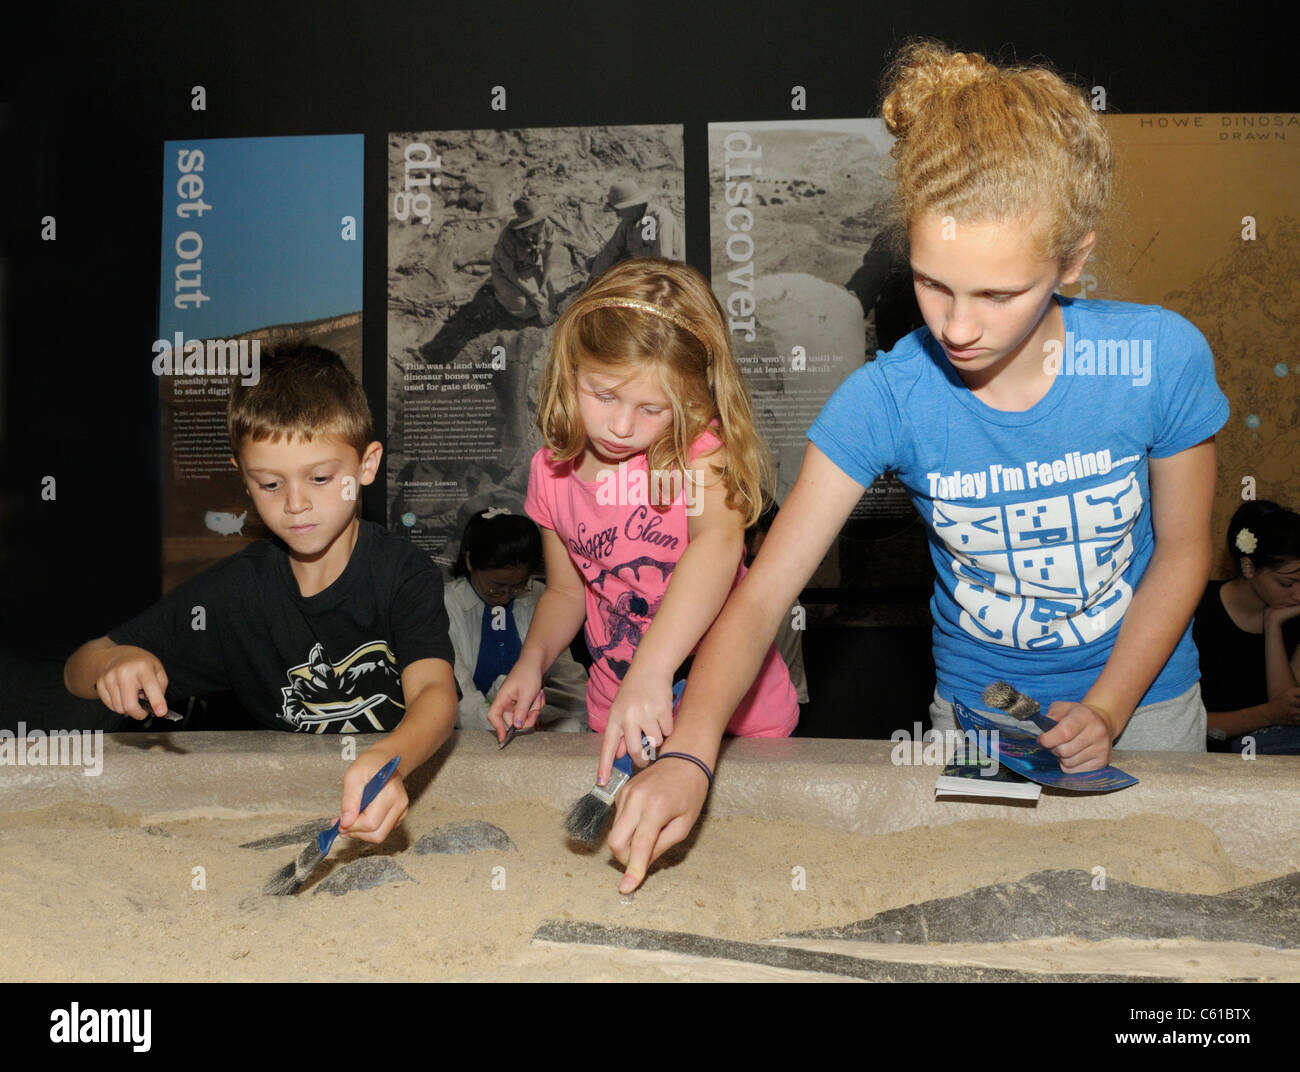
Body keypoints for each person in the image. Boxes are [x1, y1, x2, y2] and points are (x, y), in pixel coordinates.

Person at [607, 40, 1230, 892]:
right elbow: (759, 596)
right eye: (935, 285)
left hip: (1150, 704)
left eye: (998, 294)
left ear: (1073, 260)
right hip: (981, 719)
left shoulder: (1159, 358)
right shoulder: (887, 398)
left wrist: (1111, 705)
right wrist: (690, 752)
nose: (959, 327)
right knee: (989, 912)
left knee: (1164, 911)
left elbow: (1187, 547)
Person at [63, 343, 458, 845]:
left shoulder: (403, 573)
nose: (296, 503)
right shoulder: (234, 593)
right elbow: (80, 666)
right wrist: (113, 664)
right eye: (270, 484)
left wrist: (388, 758)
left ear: (366, 464)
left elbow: (434, 693)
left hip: (390, 788)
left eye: (319, 477)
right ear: (244, 480)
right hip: (279, 814)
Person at [485, 257, 799, 776]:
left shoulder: (696, 452)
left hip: (736, 713)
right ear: (572, 368)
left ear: (692, 401)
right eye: (603, 395)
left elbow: (717, 546)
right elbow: (566, 593)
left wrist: (653, 669)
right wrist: (532, 663)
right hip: (620, 707)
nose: (622, 425)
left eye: (652, 408)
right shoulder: (551, 472)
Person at [445, 508, 588, 732]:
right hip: (474, 724)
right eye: (497, 586)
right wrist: (500, 723)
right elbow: (458, 693)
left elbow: (568, 677)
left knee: (571, 726)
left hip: (528, 718)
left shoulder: (540, 596)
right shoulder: (446, 604)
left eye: (518, 585)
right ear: (470, 562)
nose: (506, 595)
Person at [1193, 501, 1300, 754]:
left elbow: (1289, 712)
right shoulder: (1195, 607)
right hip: (1205, 747)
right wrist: (1263, 715)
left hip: (1274, 748)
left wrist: (1273, 627)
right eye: (1287, 584)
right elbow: (1176, 724)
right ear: (1249, 567)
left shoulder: (1294, 618)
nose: (1298, 594)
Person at [587, 180, 682, 278]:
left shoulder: (661, 219)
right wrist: (592, 280)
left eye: (619, 210)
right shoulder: (628, 221)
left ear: (632, 205)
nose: (617, 215)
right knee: (593, 264)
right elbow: (610, 251)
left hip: (669, 273)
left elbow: (664, 264)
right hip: (642, 268)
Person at [491, 198, 562, 325]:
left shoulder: (546, 225)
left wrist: (544, 283)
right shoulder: (508, 238)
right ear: (526, 226)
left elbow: (548, 256)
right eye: (535, 222)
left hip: (529, 267)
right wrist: (533, 295)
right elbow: (510, 272)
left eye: (542, 219)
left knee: (550, 302)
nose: (541, 224)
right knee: (524, 308)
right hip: (506, 273)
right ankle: (497, 291)